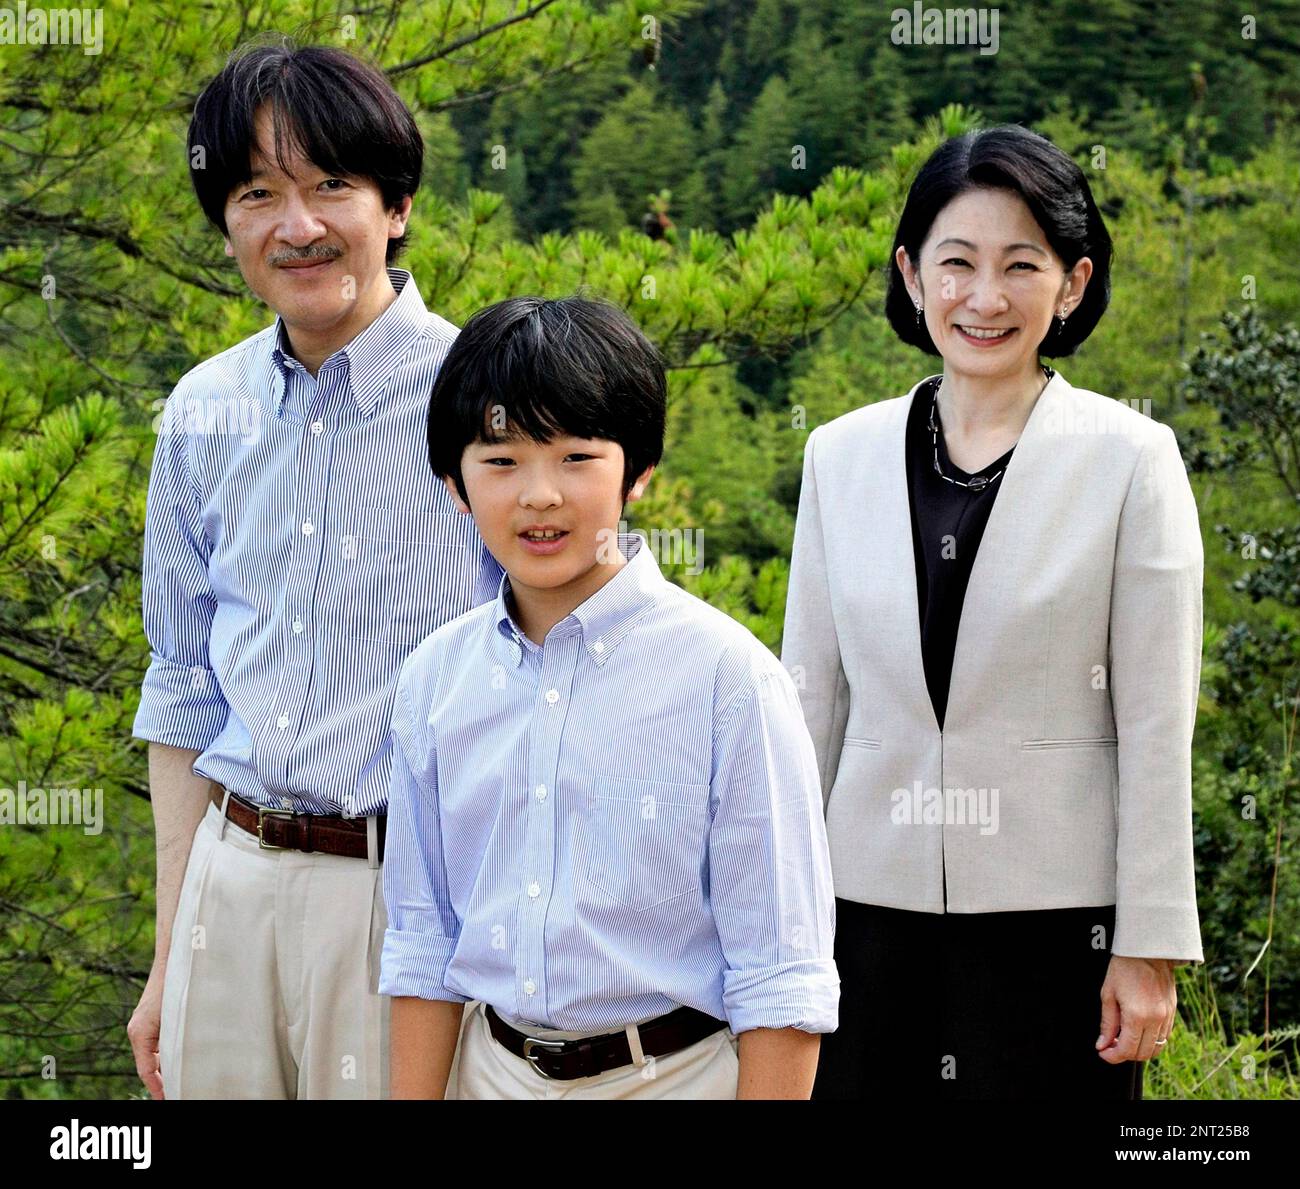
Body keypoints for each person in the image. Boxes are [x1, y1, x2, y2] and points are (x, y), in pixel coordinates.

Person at [780, 124, 1204, 1100]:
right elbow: (809, 706)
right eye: (955, 262)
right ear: (910, 273)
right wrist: (776, 918)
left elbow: (1153, 723)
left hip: (1055, 928)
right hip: (861, 916)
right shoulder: (838, 457)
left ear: (1072, 282)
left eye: (1021, 264)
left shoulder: (1130, 460)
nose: (983, 296)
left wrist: (1147, 946)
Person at [126, 41, 501, 1099]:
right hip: (229, 882)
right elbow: (184, 687)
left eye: (331, 184)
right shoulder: (203, 411)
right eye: (258, 193)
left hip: (407, 898)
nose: (297, 225)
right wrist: (171, 955)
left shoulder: (484, 400)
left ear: (397, 204)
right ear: (228, 224)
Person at [378, 296, 839, 1099]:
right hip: (493, 1074)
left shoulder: (728, 679)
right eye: (501, 460)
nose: (541, 494)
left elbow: (781, 978)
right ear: (453, 484)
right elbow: (424, 943)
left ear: (640, 472)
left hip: (673, 1076)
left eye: (577, 457)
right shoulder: (432, 680)